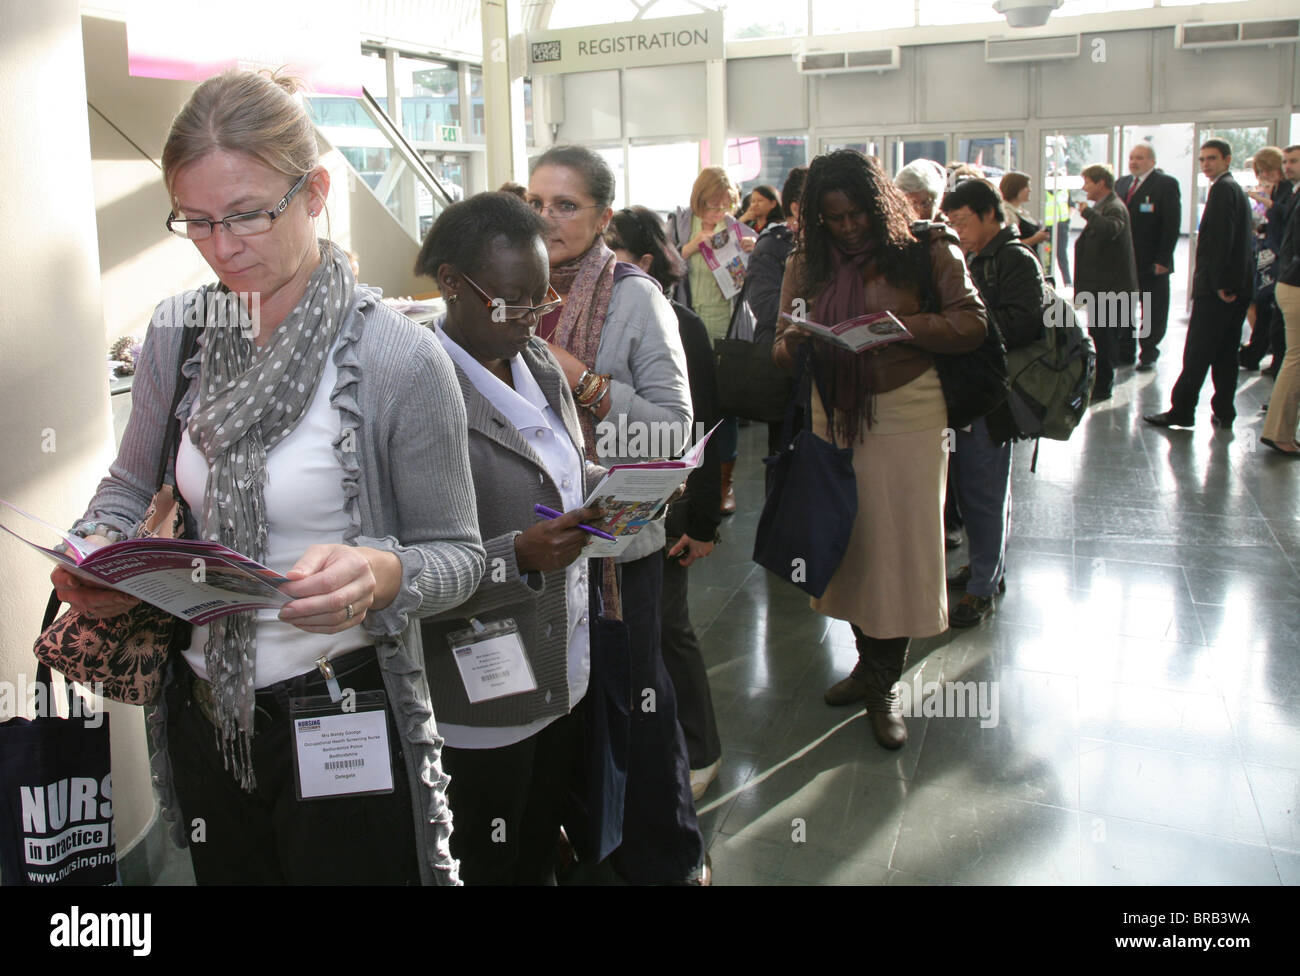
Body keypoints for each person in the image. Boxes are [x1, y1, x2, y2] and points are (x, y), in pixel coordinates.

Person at [51, 70, 485, 885]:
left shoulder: (396, 357)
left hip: (339, 703)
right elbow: (126, 482)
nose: (222, 246)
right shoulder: (181, 331)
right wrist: (103, 549)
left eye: (248, 214)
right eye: (198, 221)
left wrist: (383, 572)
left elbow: (459, 555)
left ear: (314, 190)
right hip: (205, 703)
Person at [412, 192, 607, 884]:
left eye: (539, 300)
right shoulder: (420, 390)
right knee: (489, 858)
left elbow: (562, 469)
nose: (528, 318)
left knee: (537, 841)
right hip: (480, 691)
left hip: (560, 664)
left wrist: (617, 494)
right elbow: (402, 561)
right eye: (508, 302)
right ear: (450, 285)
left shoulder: (540, 365)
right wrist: (514, 556)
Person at [526, 145, 706, 883]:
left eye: (565, 205)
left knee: (636, 707)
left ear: (604, 216)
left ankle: (668, 857)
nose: (546, 219)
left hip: (614, 553)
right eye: (534, 203)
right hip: (535, 548)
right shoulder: (510, 289)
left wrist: (588, 383)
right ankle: (588, 844)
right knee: (566, 714)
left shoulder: (634, 297)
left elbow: (672, 432)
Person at [772, 150, 987, 749]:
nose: (847, 228)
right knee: (853, 548)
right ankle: (869, 665)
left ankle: (884, 684)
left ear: (880, 202)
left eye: (857, 214)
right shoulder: (806, 261)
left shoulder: (924, 247)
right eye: (833, 218)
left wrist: (902, 326)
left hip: (907, 409)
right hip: (830, 411)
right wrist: (802, 345)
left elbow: (972, 323)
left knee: (900, 550)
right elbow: (780, 340)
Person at [605, 204, 724, 799]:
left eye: (613, 248)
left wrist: (701, 521)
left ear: (644, 260)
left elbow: (701, 433)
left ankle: (701, 748)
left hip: (666, 509)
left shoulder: (681, 325)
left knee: (670, 631)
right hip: (615, 510)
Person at [941, 178, 1047, 626]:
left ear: (989, 214)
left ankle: (983, 587)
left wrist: (968, 320)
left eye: (963, 222)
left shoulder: (1015, 259)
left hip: (994, 397)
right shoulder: (977, 257)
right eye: (953, 224)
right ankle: (986, 566)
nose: (958, 231)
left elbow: (1027, 323)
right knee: (971, 491)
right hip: (969, 392)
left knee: (985, 492)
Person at [1146, 140, 1254, 430]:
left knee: (1198, 352)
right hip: (1235, 287)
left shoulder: (1222, 190)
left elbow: (1221, 241)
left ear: (1227, 159)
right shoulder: (1234, 190)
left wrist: (1220, 284)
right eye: (1203, 159)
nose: (1206, 164)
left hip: (1218, 290)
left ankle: (1182, 409)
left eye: (1212, 159)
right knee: (1225, 353)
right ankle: (1224, 410)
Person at [668, 166, 757, 515]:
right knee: (688, 404)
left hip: (725, 329)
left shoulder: (738, 231)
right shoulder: (679, 225)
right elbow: (663, 266)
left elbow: (752, 286)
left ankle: (725, 483)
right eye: (711, 203)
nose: (717, 211)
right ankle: (686, 478)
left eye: (724, 204)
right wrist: (690, 247)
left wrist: (755, 253)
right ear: (698, 198)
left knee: (725, 407)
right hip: (686, 328)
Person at [1074, 162, 1139, 401]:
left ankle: (1102, 386)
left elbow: (1111, 229)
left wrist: (1088, 213)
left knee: (1105, 339)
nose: (1084, 188)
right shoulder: (1107, 206)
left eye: (1087, 183)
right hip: (1102, 287)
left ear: (1101, 183)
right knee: (1101, 335)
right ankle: (1100, 383)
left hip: (1109, 289)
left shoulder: (1113, 207)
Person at [1114, 144, 1182, 371]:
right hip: (1125, 260)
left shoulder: (1165, 184)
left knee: (1152, 308)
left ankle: (1149, 350)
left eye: (1140, 158)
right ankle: (1125, 350)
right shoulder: (1122, 184)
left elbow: (1171, 224)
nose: (1134, 162)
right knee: (1124, 305)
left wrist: (1164, 259)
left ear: (1152, 161)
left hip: (1153, 261)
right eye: (1131, 158)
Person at [1260, 157, 1300, 456]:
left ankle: (1279, 430)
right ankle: (1280, 432)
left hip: (1289, 280)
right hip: (1294, 284)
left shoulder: (1292, 194)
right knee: (1295, 361)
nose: (1288, 167)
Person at [1240, 147, 1288, 373]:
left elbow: (1284, 217)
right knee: (1263, 308)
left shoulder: (1285, 191)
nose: (1264, 176)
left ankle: (1266, 356)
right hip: (1265, 254)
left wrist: (1265, 201)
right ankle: (1255, 354)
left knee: (1272, 311)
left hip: (1279, 258)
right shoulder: (1275, 191)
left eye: (1268, 170)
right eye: (1260, 171)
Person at [999, 171, 1051, 254]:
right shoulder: (1008, 213)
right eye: (1027, 186)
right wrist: (1035, 239)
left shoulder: (1021, 211)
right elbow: (1009, 245)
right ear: (1015, 188)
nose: (1030, 190)